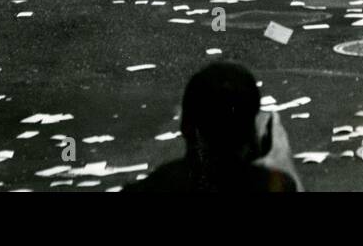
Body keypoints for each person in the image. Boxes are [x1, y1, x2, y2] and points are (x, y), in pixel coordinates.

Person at [129, 62, 301, 193]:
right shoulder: (275, 185)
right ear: (253, 136)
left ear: (185, 126)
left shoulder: (150, 187)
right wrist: (281, 161)